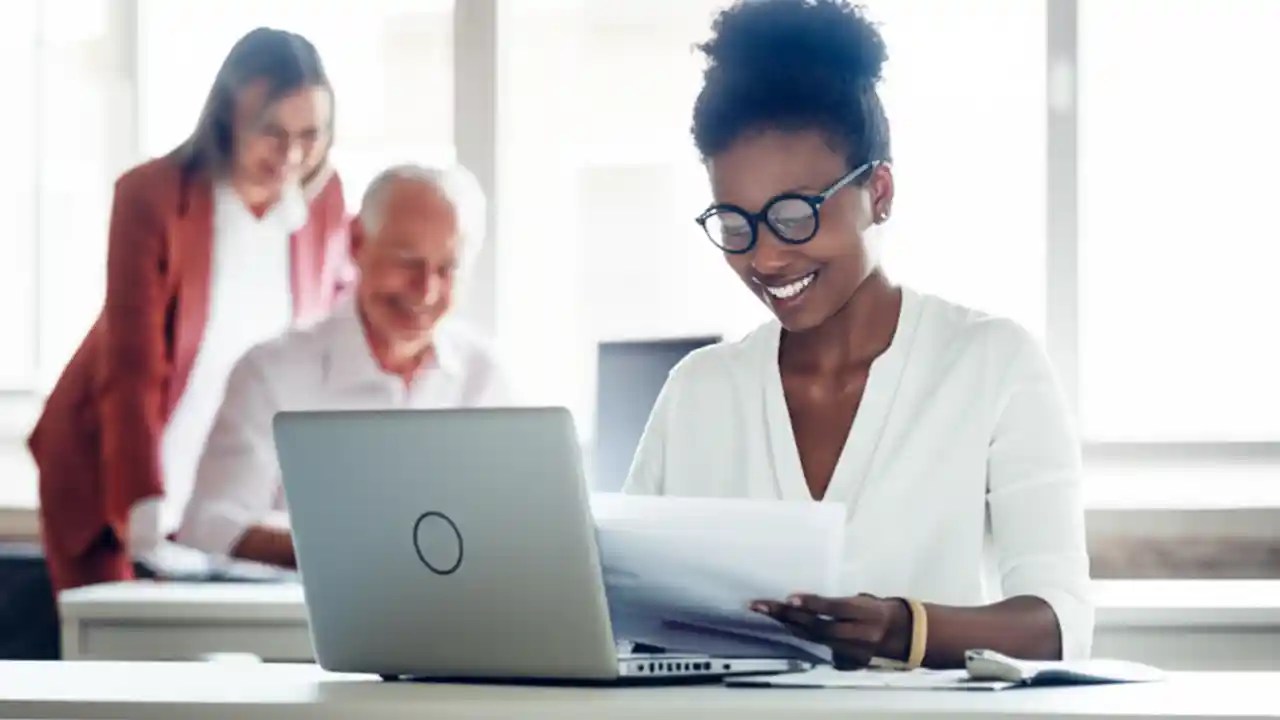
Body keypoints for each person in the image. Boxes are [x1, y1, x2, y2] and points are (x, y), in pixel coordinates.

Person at [623, 0, 1092, 669]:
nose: (766, 258)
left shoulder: (993, 363)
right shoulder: (699, 390)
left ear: (879, 191)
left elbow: (1060, 621)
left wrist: (905, 628)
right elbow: (625, 610)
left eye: (794, 214)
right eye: (735, 223)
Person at [29, 28, 350, 592]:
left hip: (223, 481)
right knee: (119, 659)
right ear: (229, 117)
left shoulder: (322, 202)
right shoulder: (152, 195)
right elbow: (132, 365)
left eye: (310, 135)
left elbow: (327, 338)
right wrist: (142, 507)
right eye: (272, 132)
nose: (293, 155)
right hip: (115, 467)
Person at [176, 164, 510, 569]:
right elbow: (210, 526)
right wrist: (355, 549)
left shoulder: (486, 375)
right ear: (356, 243)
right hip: (302, 625)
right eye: (407, 262)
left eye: (447, 269)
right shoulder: (270, 372)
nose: (426, 291)